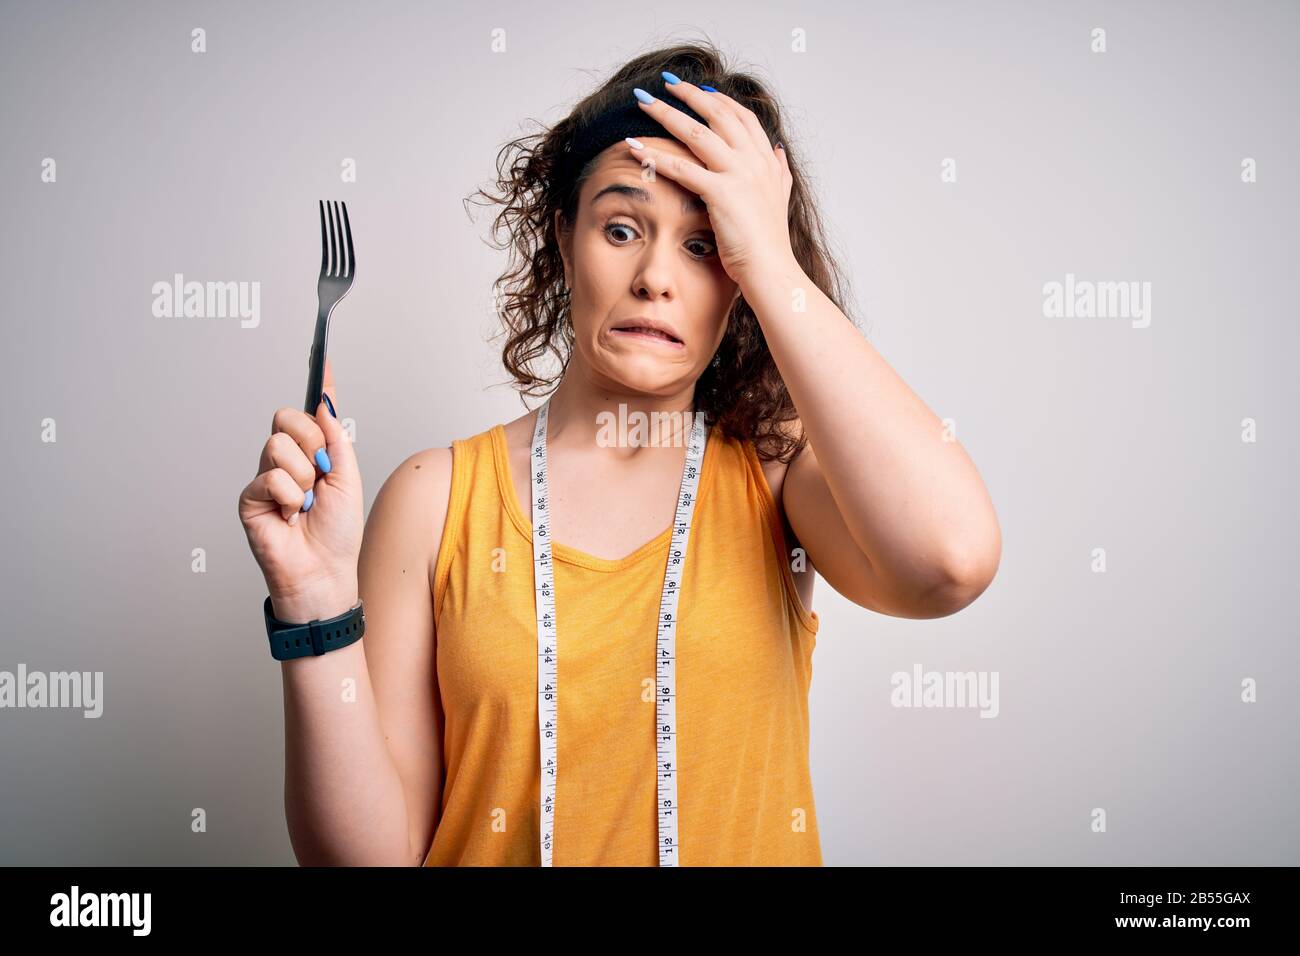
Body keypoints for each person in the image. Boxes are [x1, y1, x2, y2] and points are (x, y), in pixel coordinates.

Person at [237, 42, 1001, 867]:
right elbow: (368, 862)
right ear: (565, 237)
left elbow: (950, 562)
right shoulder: (435, 500)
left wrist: (771, 258)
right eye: (623, 227)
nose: (655, 278)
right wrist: (313, 603)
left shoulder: (777, 476)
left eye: (705, 245)